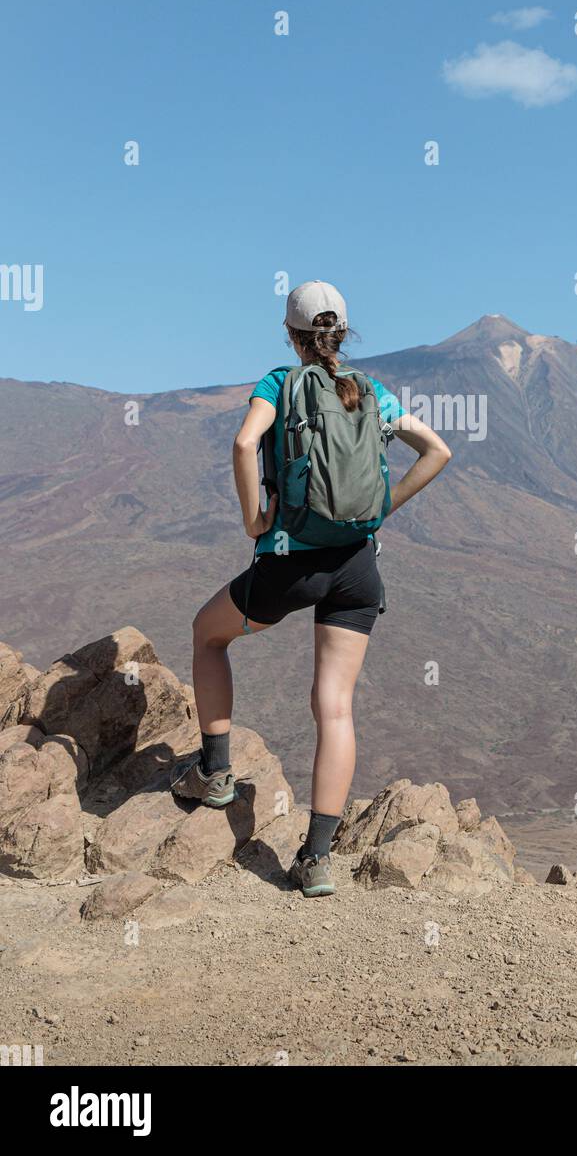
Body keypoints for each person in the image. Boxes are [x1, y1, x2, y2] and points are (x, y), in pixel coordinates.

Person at [170, 281, 452, 897]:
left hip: (291, 565)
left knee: (206, 634)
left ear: (292, 335)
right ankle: (317, 859)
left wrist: (252, 518)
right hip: (357, 569)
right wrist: (382, 510)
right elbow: (437, 450)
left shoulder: (279, 383)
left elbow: (245, 442)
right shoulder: (370, 392)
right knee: (335, 707)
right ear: (343, 334)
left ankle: (215, 774)